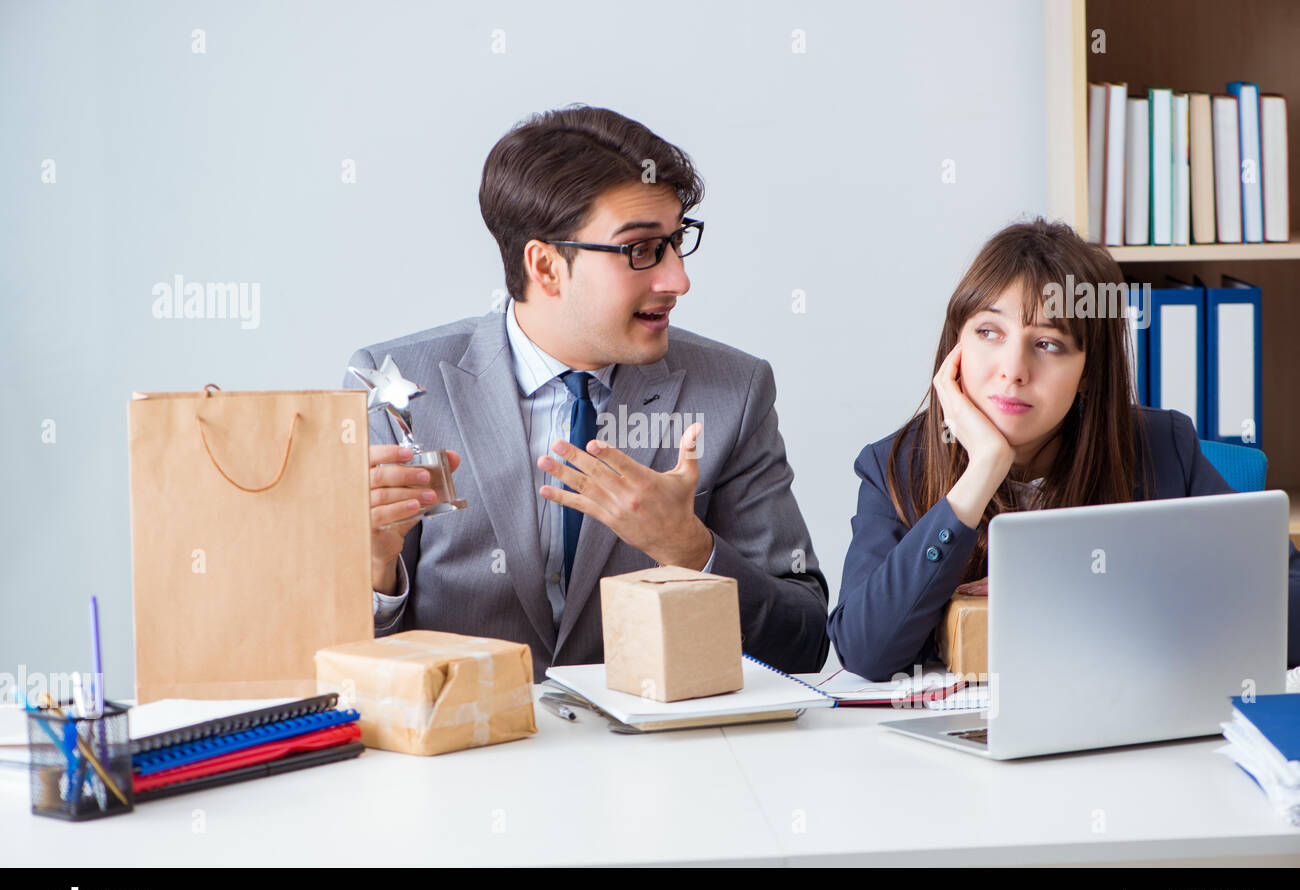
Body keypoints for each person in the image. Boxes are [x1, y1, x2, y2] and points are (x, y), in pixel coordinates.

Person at [346, 105, 828, 682]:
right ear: (545, 266)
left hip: (666, 760)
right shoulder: (396, 386)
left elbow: (806, 640)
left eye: (678, 242)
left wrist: (689, 548)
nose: (678, 279)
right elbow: (341, 662)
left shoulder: (734, 390)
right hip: (465, 751)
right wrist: (375, 568)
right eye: (641, 250)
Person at [828, 218, 1300, 681]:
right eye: (989, 332)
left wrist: (1090, 588)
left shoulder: (1163, 448)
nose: (1012, 369)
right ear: (957, 346)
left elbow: (1291, 604)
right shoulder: (895, 467)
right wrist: (982, 473)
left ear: (1089, 371)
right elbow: (865, 652)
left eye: (1048, 344)